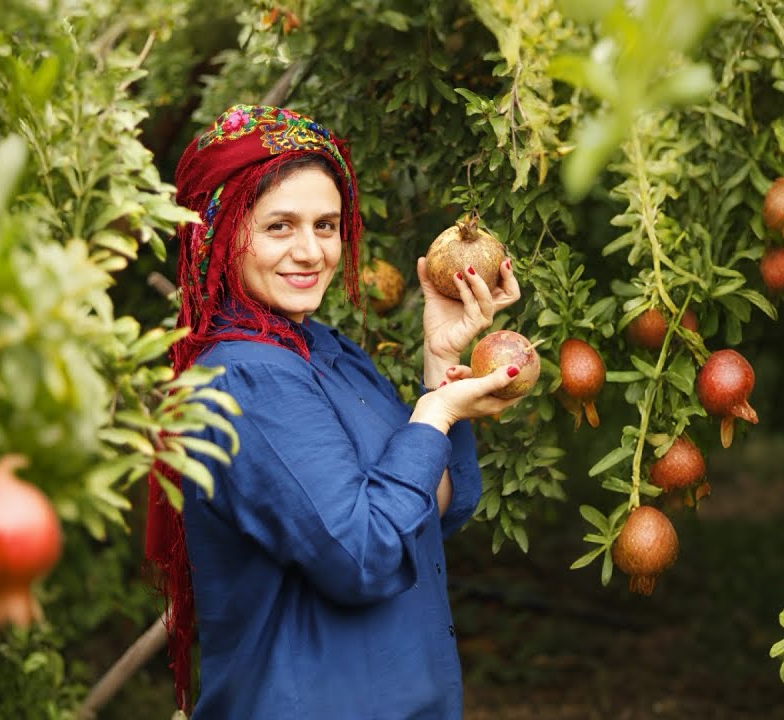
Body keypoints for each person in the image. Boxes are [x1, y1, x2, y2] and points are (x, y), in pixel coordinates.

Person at [143, 104, 523, 719]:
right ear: (219, 233)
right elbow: (364, 555)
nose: (310, 250)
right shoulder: (245, 380)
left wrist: (440, 367)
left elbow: (427, 510)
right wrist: (434, 416)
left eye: (326, 224)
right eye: (279, 227)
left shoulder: (324, 351)